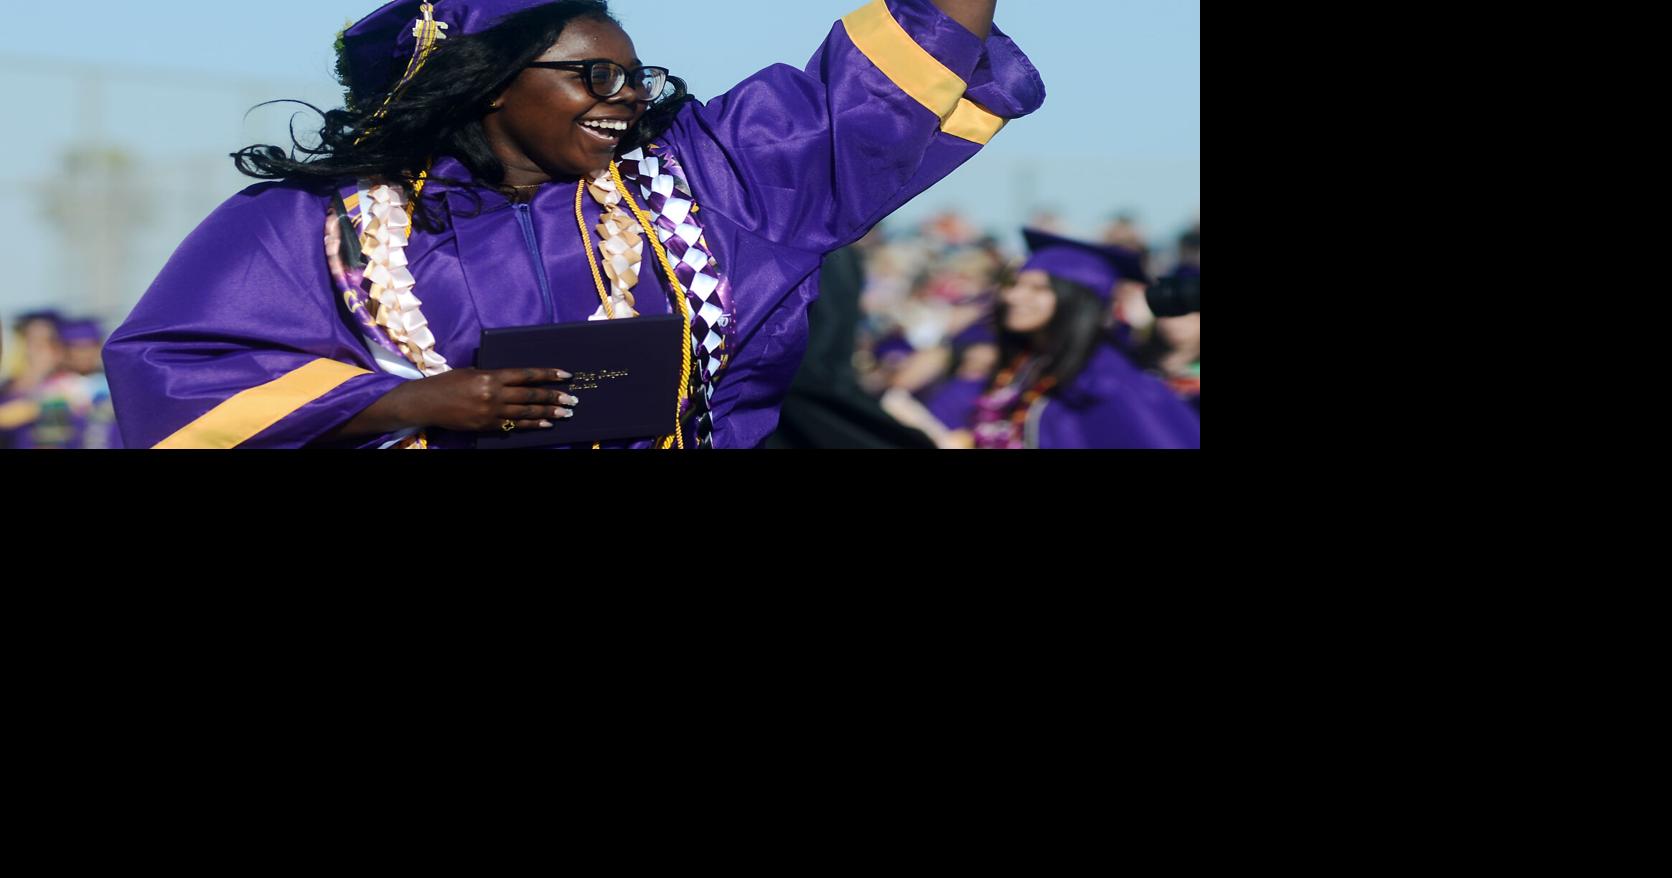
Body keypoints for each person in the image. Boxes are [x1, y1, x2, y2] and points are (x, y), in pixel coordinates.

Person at [104, 0, 1044, 449]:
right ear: (494, 86)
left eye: (637, 75)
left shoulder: (703, 184)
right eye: (594, 75)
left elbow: (872, 93)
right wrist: (410, 403)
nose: (628, 99)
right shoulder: (314, 225)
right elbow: (179, 378)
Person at [958, 229, 1200, 450]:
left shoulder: (1109, 382)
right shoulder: (1027, 366)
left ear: (1075, 299)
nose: (1013, 296)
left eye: (1038, 288)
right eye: (1014, 284)